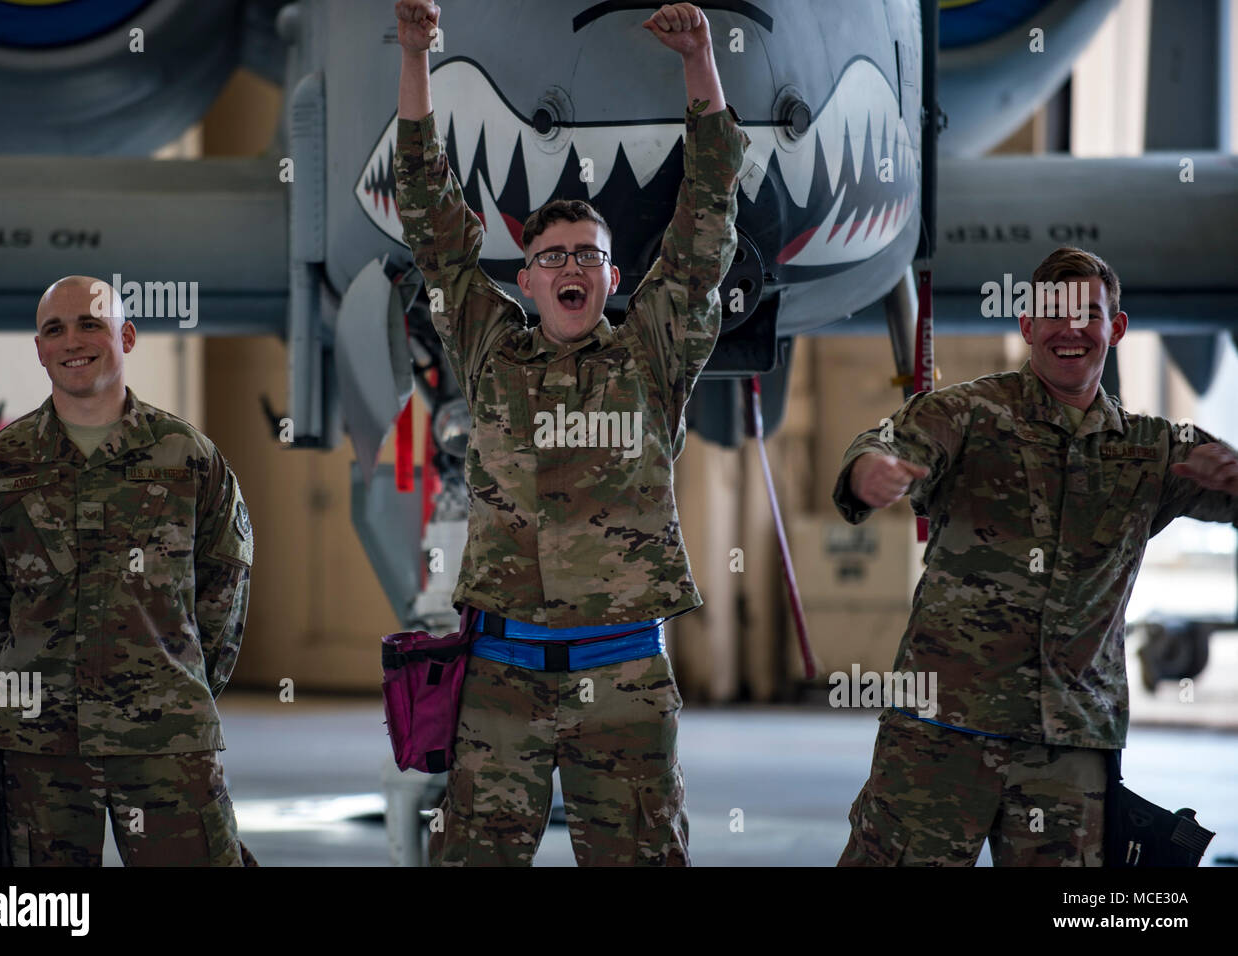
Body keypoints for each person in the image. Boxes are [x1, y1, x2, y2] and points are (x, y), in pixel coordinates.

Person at [393, 0, 748, 865]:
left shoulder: (652, 353)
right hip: (501, 679)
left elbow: (707, 217)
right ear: (526, 277)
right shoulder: (489, 347)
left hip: (624, 677)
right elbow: (434, 226)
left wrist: (700, 61)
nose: (571, 268)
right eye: (553, 256)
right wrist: (415, 59)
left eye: (588, 254)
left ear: (613, 275)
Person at [834, 247, 1238, 866]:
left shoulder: (1155, 449)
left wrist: (1232, 479)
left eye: (1089, 314)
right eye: (1053, 313)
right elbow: (883, 444)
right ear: (1027, 326)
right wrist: (871, 474)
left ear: (1116, 328)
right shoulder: (966, 413)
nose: (1070, 329)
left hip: (1070, 746)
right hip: (943, 732)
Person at [0, 275, 253, 866]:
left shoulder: (188, 458)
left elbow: (223, 593)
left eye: (90, 324)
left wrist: (171, 682)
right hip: (38, 744)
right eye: (54, 329)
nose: (72, 340)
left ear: (126, 336)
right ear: (39, 349)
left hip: (164, 737)